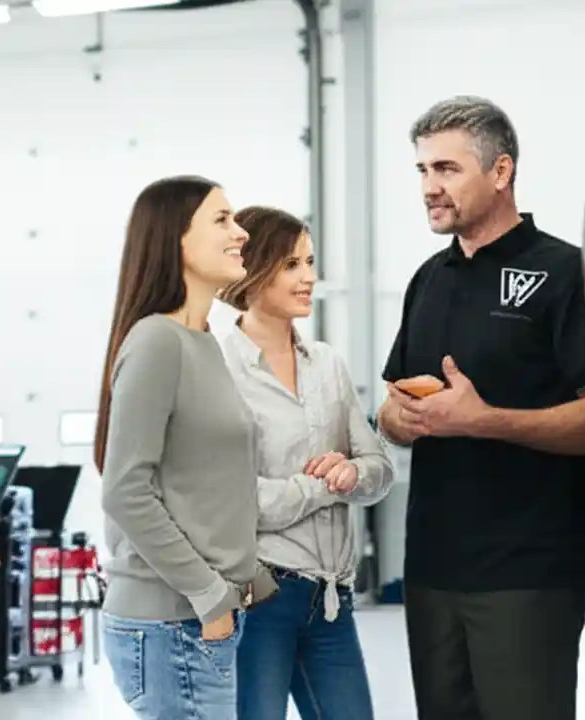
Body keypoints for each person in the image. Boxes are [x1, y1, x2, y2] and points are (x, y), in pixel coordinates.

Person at [376, 96, 585, 720]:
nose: (429, 187)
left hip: (527, 572)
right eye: (422, 172)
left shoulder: (564, 274)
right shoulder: (429, 280)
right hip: (430, 570)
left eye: (446, 169)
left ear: (500, 172)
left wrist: (485, 421)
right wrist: (401, 419)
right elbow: (391, 410)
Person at [94, 175, 279, 720]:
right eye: (222, 219)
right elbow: (125, 490)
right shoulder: (156, 341)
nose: (241, 232)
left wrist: (245, 579)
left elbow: (207, 483)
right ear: (175, 237)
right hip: (173, 621)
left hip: (200, 615)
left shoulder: (201, 343)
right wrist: (209, 594)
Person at [216, 205, 395, 720]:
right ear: (254, 269)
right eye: (292, 264)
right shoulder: (219, 369)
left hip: (331, 599)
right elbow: (239, 502)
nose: (310, 277)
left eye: (310, 261)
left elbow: (378, 465)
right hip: (259, 595)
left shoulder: (328, 364)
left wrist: (354, 472)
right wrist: (325, 486)